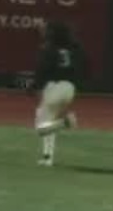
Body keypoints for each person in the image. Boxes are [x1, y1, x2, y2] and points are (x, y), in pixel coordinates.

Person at [26, 21, 86, 168]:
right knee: (48, 120)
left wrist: (33, 86)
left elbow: (42, 69)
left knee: (41, 128)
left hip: (54, 87)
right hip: (70, 88)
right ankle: (47, 157)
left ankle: (66, 122)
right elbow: (84, 66)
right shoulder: (75, 47)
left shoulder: (49, 48)